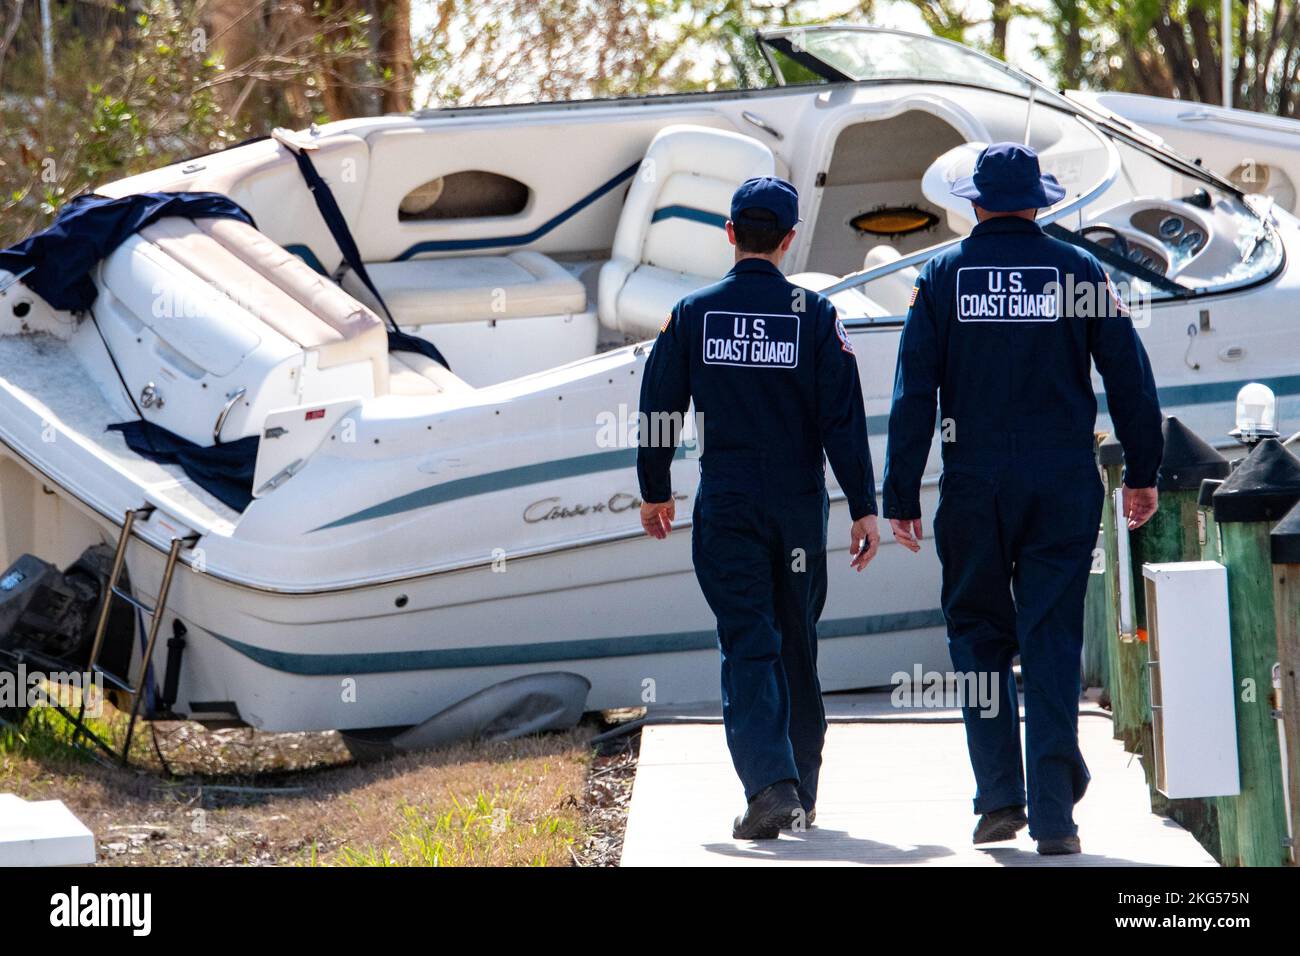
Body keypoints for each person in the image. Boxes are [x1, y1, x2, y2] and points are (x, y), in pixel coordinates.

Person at [882, 143, 1163, 855]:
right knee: (1051, 640)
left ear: (974, 203)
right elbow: (1129, 377)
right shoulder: (1078, 270)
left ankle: (999, 797)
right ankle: (1056, 819)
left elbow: (914, 392)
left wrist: (900, 492)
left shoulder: (941, 276)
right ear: (1039, 202)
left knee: (979, 639)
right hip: (1060, 482)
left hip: (974, 484)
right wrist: (1142, 472)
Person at [636, 176, 881, 840]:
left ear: (730, 234)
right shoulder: (817, 316)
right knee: (796, 644)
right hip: (799, 508)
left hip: (729, 501)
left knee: (750, 641)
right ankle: (797, 785)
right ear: (791, 239)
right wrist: (864, 505)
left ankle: (770, 786)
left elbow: (659, 406)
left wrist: (654, 487)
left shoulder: (693, 314)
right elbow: (843, 421)